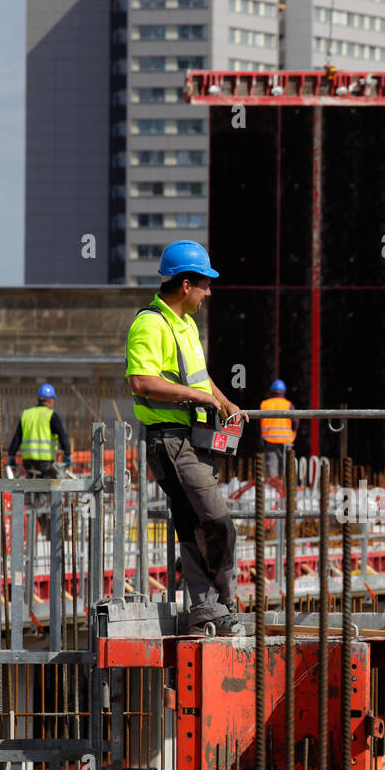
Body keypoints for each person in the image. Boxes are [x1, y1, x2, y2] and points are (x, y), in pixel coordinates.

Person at [125, 239, 247, 637]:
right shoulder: (150, 324)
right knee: (216, 520)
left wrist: (224, 401)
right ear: (186, 286)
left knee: (195, 525)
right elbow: (141, 381)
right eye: (205, 285)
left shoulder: (185, 325)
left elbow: (200, 376)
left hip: (192, 440)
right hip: (170, 440)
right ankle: (222, 602)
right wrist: (198, 397)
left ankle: (205, 610)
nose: (208, 293)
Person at [8, 383, 71, 478]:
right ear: (50, 400)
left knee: (31, 485)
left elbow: (17, 437)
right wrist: (67, 455)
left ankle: (31, 493)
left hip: (28, 462)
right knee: (52, 485)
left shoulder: (26, 414)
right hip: (45, 462)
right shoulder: (51, 415)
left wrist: (11, 456)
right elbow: (63, 436)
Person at [259, 379, 298, 479]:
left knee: (272, 466)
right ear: (284, 392)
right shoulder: (289, 405)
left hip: (270, 441)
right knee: (287, 467)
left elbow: (258, 422)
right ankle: (285, 488)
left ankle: (274, 489)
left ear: (271, 392)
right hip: (287, 441)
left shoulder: (264, 404)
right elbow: (295, 421)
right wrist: (294, 432)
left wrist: (261, 436)